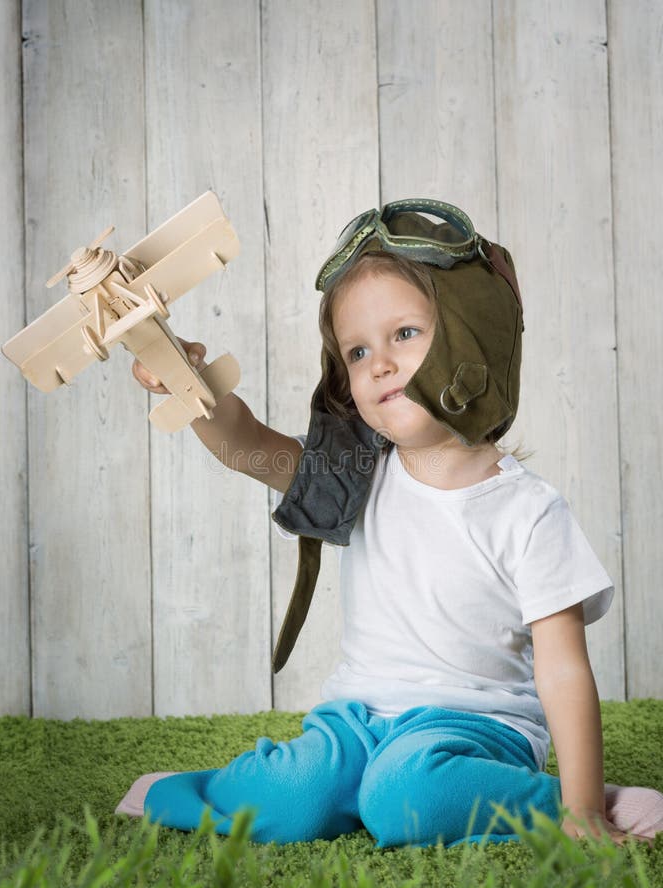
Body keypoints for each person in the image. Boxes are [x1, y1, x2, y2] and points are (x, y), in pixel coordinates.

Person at [120, 200, 663, 847]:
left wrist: (582, 807)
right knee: (295, 797)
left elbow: (565, 672)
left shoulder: (529, 512)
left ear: (471, 335)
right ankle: (201, 789)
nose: (378, 362)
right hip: (355, 723)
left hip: (475, 729)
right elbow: (247, 446)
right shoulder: (355, 476)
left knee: (407, 794)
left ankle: (580, 805)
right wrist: (183, 377)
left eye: (404, 333)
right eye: (357, 350)